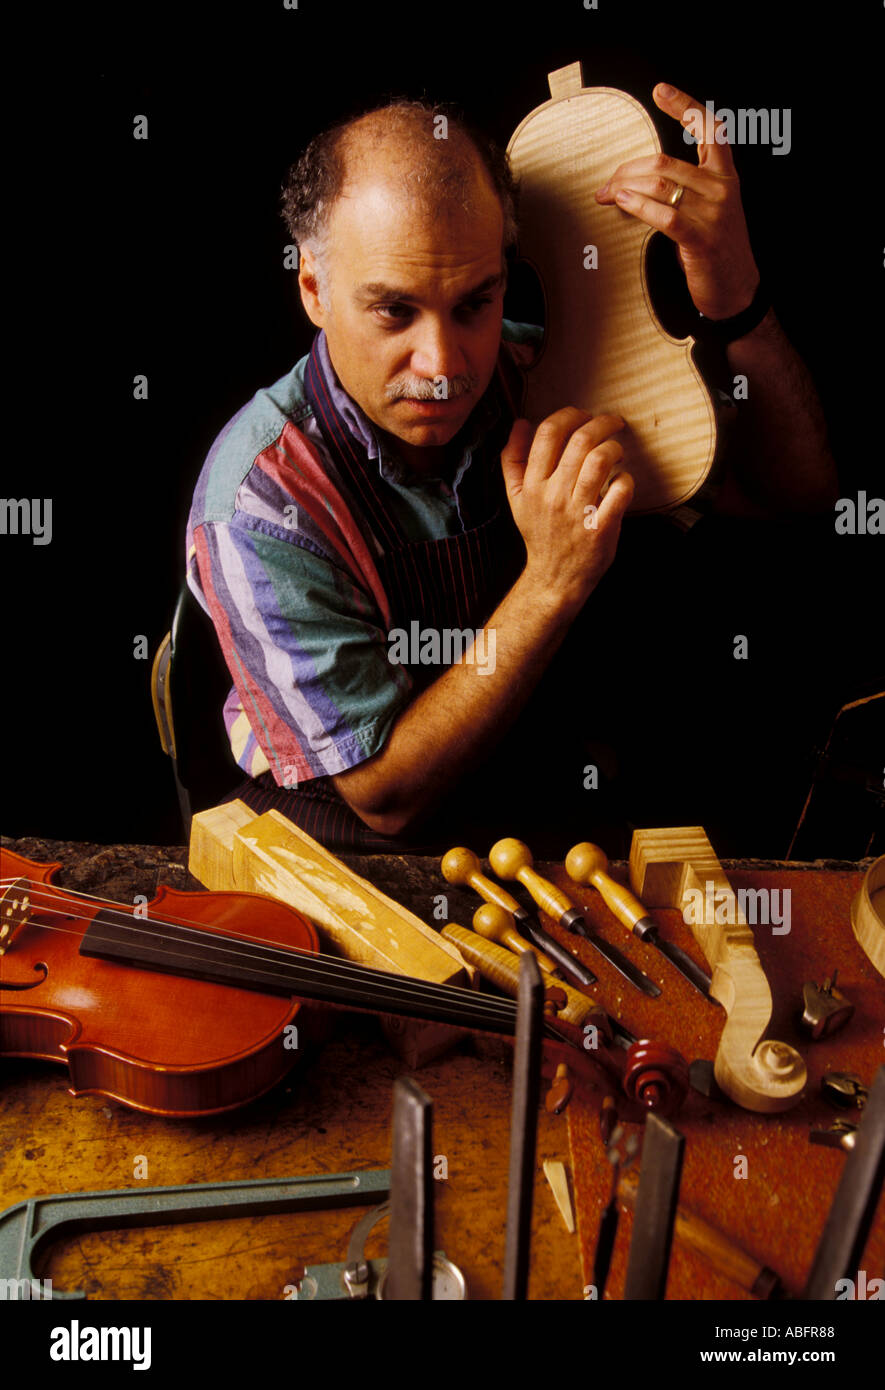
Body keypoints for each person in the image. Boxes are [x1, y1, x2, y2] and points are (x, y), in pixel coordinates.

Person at [186, 83, 837, 855]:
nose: (441, 365)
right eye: (394, 311)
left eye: (474, 302)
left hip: (545, 819)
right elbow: (385, 797)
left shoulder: (547, 371)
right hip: (357, 856)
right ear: (314, 290)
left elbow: (792, 493)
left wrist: (736, 301)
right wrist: (553, 580)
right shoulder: (260, 498)